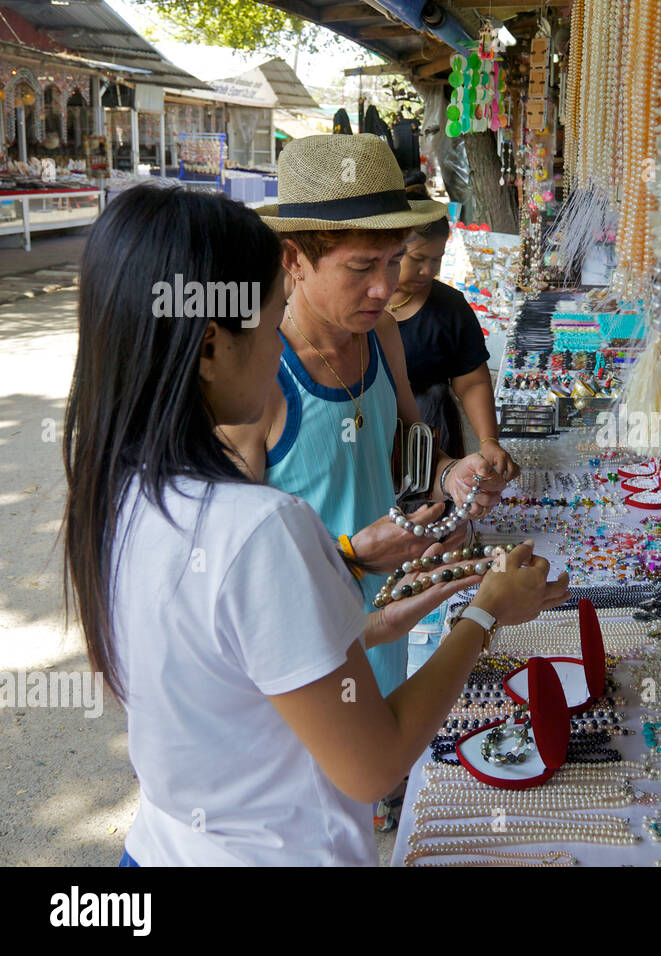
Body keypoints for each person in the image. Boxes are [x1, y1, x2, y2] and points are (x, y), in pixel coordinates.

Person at [62, 183, 569, 865]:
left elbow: (234, 660)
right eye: (273, 326)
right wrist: (485, 613)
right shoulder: (258, 528)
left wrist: (366, 604)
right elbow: (373, 764)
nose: (280, 350)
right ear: (210, 346)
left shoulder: (118, 495)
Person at [388, 207, 519, 480]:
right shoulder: (360, 305)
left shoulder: (450, 307)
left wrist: (488, 441)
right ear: (389, 249)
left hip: (434, 438)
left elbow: (472, 382)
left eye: (437, 260)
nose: (428, 270)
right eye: (418, 259)